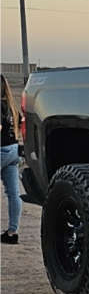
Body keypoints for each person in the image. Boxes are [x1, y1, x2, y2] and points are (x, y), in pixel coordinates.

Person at [1, 74, 22, 245]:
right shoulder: (11, 105)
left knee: (13, 193)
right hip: (14, 150)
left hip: (1, 150)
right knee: (14, 194)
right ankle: (12, 232)